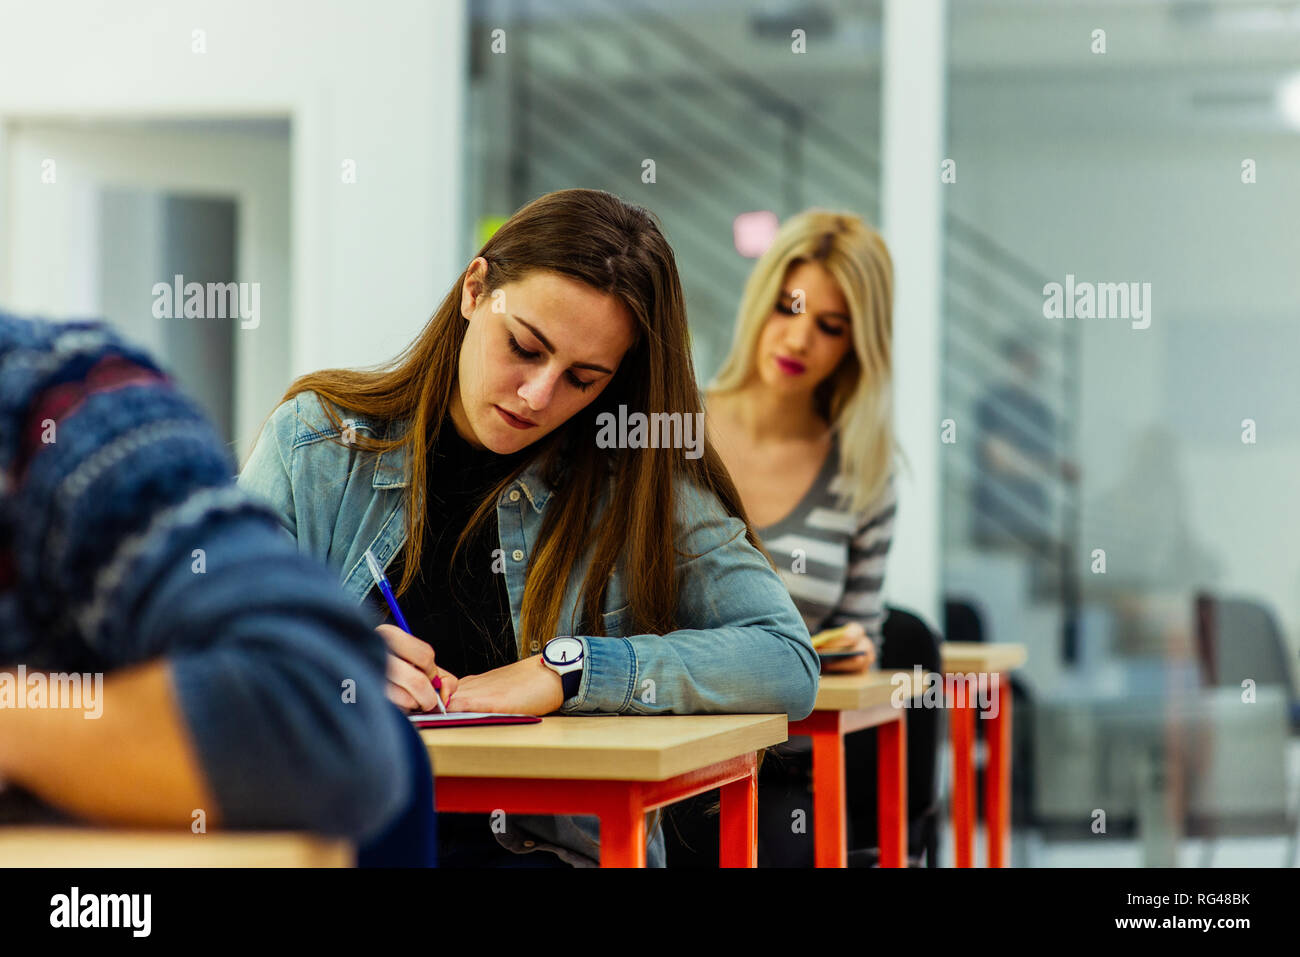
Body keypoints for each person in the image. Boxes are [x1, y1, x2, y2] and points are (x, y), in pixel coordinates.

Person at [238, 188, 819, 868]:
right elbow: (202, 632)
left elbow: (786, 659)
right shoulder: (319, 443)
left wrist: (572, 671)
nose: (538, 396)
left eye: (583, 377)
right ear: (475, 288)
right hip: (345, 839)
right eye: (524, 346)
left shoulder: (635, 483)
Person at [0, 311, 410, 845]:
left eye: (562, 376)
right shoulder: (315, 432)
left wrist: (555, 671)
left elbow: (318, 715)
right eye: (522, 347)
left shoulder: (63, 404)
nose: (534, 397)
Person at [668, 210, 917, 866]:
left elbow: (860, 647)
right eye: (789, 307)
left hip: (779, 768)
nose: (800, 337)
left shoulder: (864, 472)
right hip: (657, 746)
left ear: (857, 345)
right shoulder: (669, 430)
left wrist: (855, 648)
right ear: (761, 301)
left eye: (830, 327)